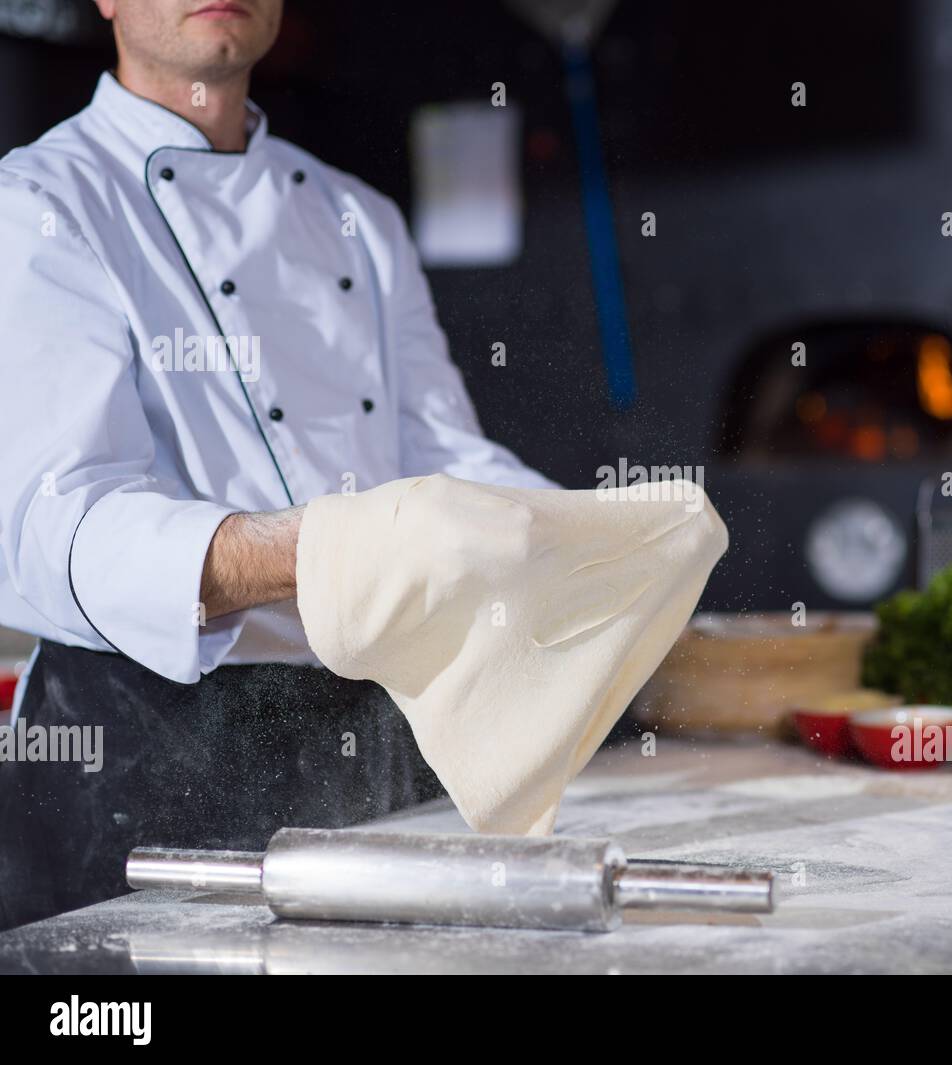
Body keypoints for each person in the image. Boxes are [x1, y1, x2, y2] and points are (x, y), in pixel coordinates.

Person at [0, 0, 553, 930]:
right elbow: (54, 522)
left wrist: (586, 534)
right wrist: (323, 548)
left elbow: (440, 455)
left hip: (367, 733)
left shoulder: (357, 217)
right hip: (139, 747)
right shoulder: (40, 202)